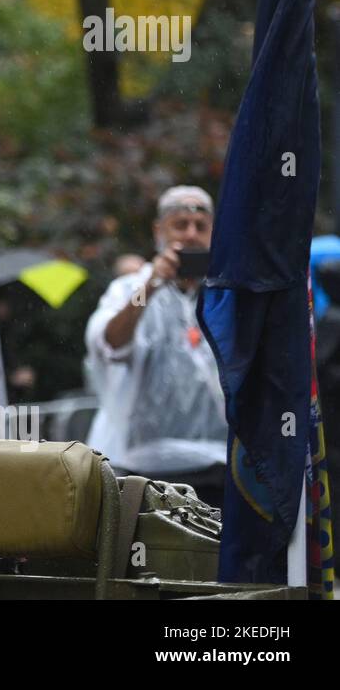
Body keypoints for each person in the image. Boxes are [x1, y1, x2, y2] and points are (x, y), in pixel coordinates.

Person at [84, 186, 227, 490]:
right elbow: (110, 342)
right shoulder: (131, 289)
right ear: (158, 231)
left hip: (220, 465)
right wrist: (151, 286)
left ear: (214, 232)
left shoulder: (228, 294)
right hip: (144, 468)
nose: (190, 235)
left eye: (200, 226)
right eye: (180, 225)